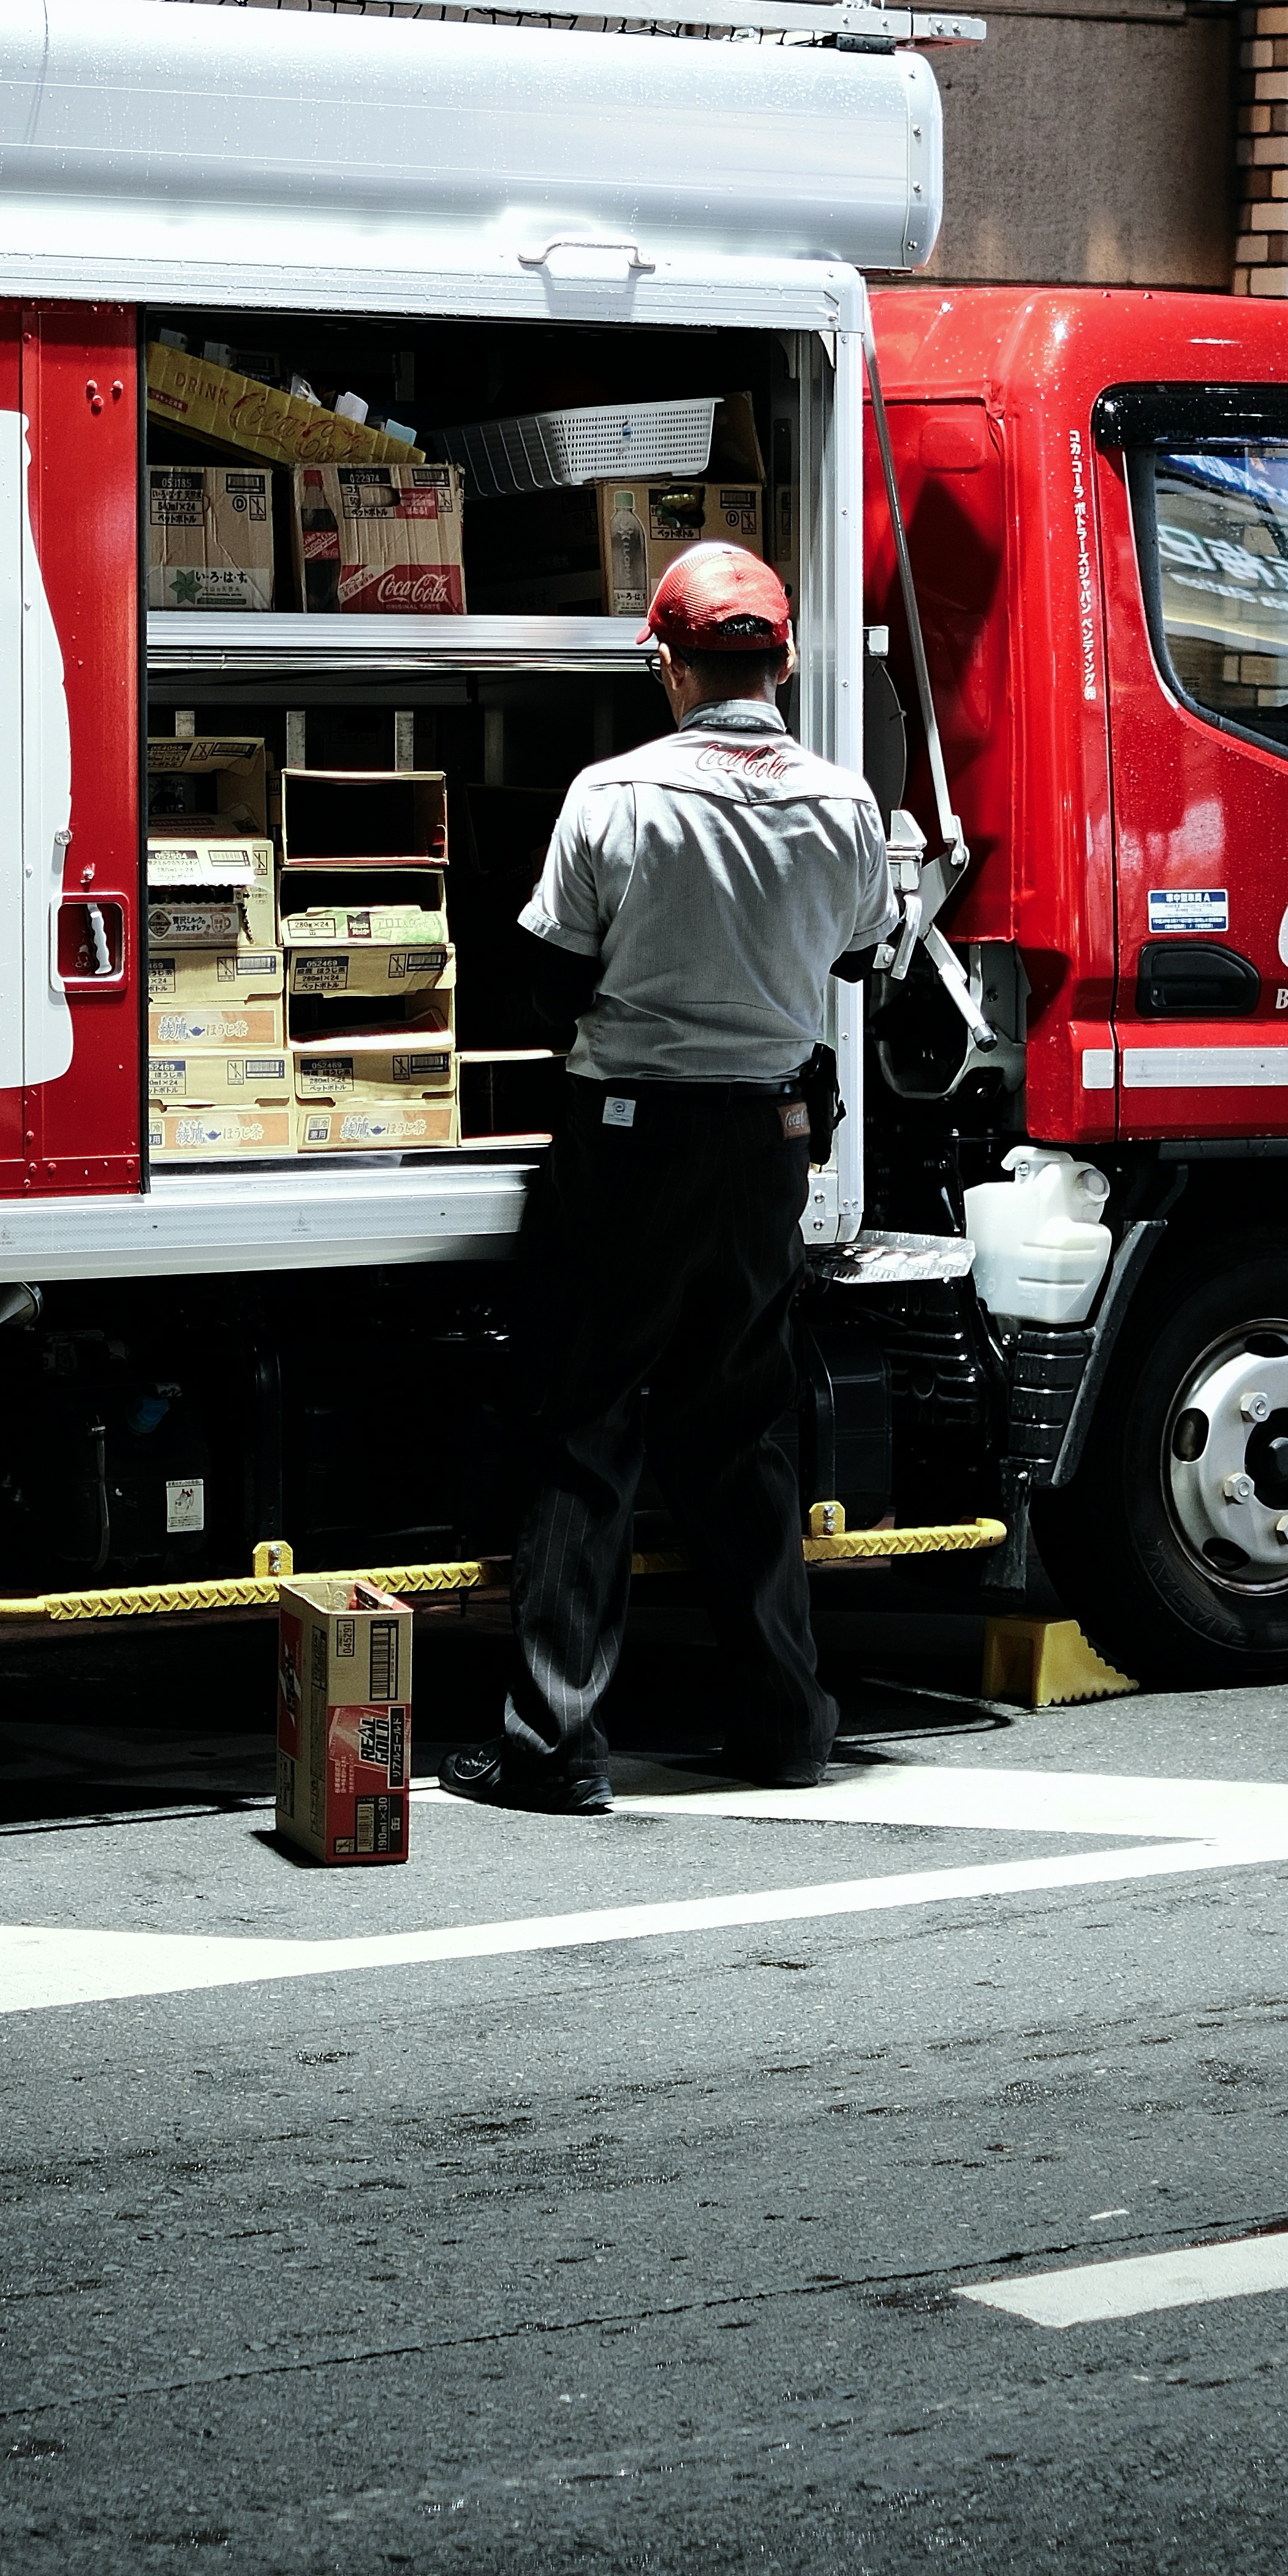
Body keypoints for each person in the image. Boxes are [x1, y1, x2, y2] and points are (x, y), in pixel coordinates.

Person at [444, 539, 896, 1815]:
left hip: (627, 1143)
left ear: (666, 663)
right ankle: (783, 1728)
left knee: (585, 1427)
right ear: (786, 658)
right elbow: (860, 957)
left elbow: (552, 974)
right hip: (765, 1152)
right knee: (744, 1429)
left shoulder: (611, 794)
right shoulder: (843, 804)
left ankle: (552, 1743)